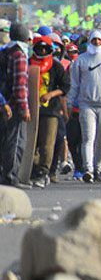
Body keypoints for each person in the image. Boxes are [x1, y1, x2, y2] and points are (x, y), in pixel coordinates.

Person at [68, 29, 101, 183]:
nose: (97, 42)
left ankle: (98, 169)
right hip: (86, 104)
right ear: (89, 41)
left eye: (99, 40)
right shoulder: (81, 60)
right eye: (94, 40)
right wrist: (69, 102)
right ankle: (88, 169)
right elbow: (75, 84)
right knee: (88, 138)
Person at [29, 35, 71, 188]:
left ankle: (43, 172)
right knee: (31, 144)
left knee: (47, 144)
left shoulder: (56, 66)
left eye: (45, 48)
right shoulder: (28, 64)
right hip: (31, 109)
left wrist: (51, 94)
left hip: (51, 110)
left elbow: (65, 87)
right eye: (39, 48)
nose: (42, 51)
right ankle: (32, 170)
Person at [0, 23, 32, 186]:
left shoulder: (5, 51)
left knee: (5, 140)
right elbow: (19, 84)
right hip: (14, 105)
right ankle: (11, 176)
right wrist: (24, 108)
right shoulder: (19, 55)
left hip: (3, 103)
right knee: (16, 142)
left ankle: (4, 174)